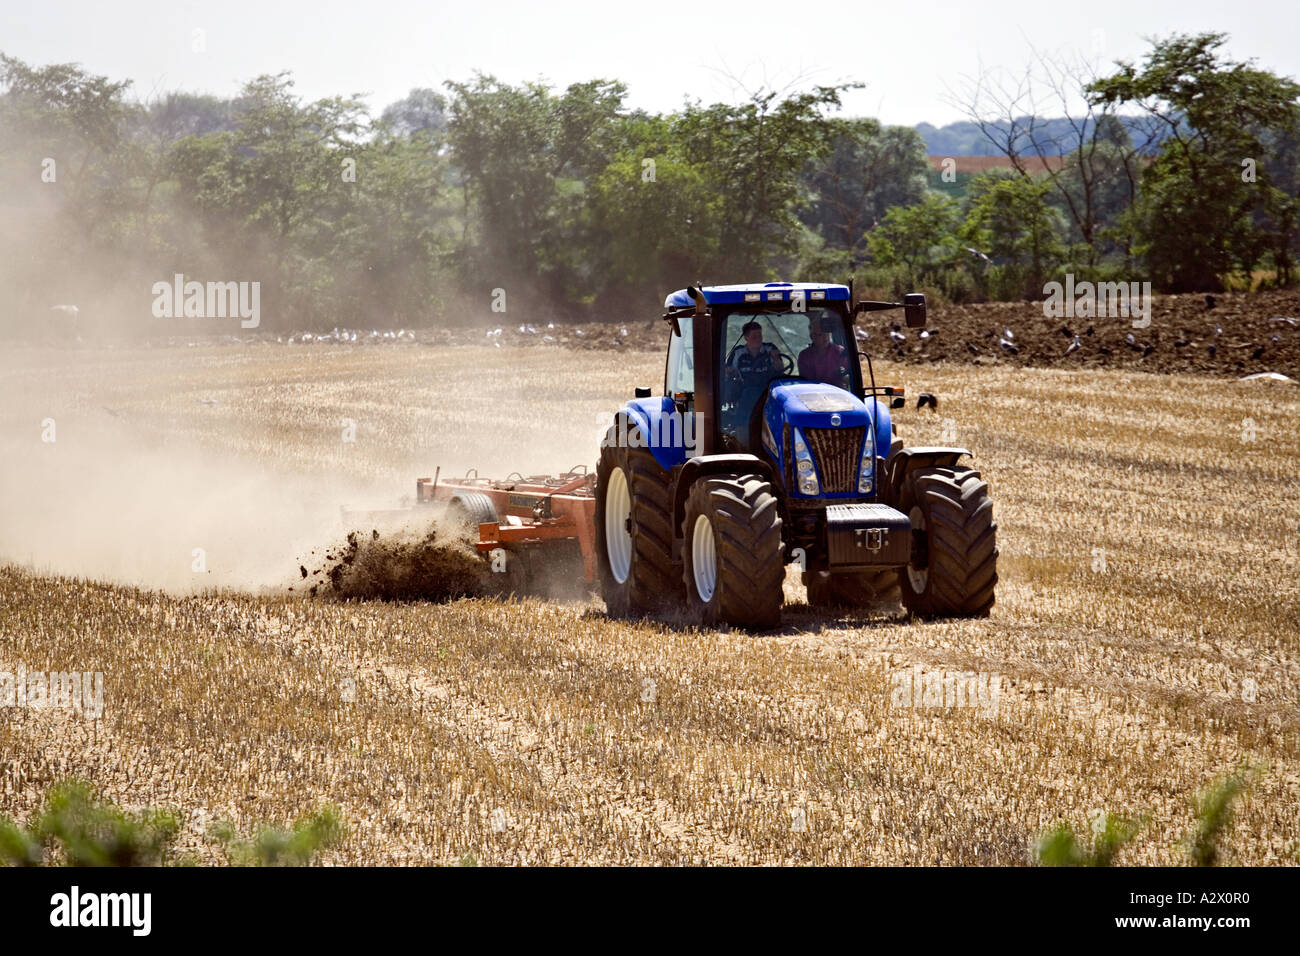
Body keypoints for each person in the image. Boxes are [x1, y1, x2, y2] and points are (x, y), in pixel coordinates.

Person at [798, 314, 849, 388]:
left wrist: (846, 377)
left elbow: (850, 375)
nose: (826, 338)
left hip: (838, 392)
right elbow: (806, 382)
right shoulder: (804, 356)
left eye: (827, 334)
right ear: (812, 337)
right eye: (821, 335)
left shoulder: (840, 351)